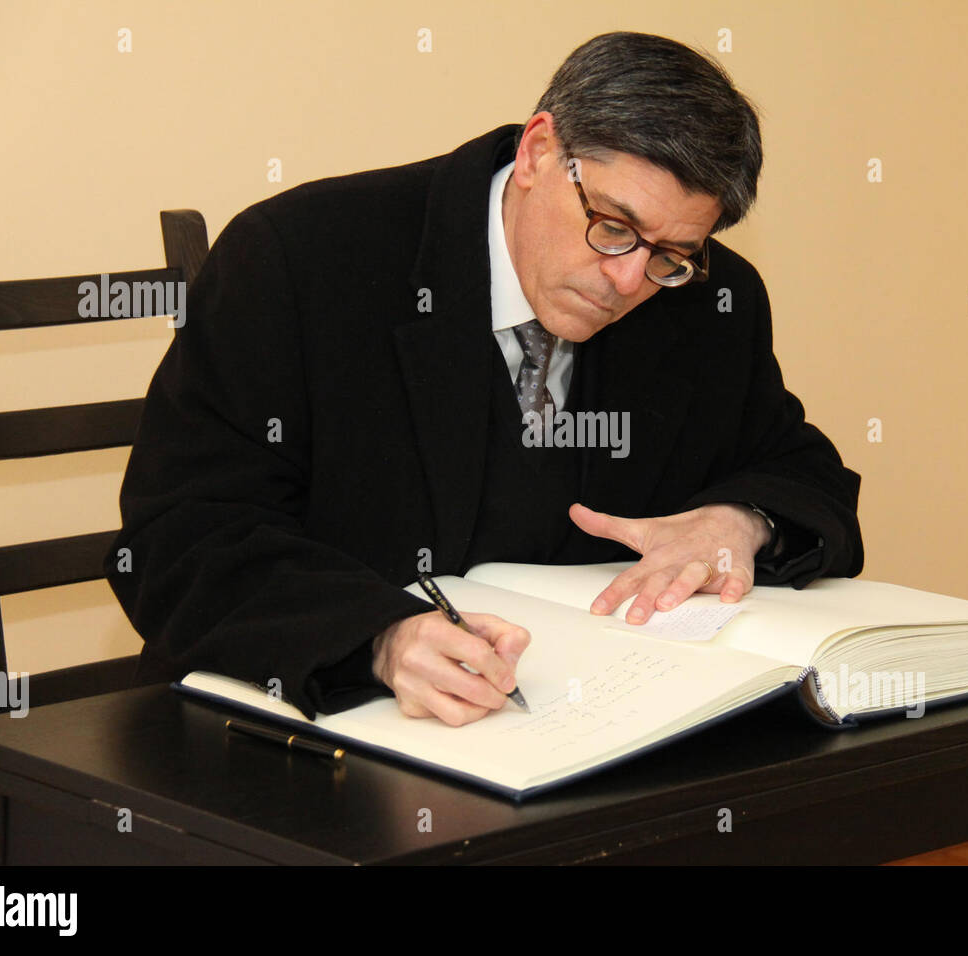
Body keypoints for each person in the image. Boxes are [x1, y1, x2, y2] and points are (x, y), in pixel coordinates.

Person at [106, 31, 864, 727]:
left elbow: (800, 468)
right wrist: (377, 637)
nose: (630, 278)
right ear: (539, 151)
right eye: (612, 225)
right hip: (302, 735)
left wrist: (741, 520)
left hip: (587, 738)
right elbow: (182, 537)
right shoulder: (299, 260)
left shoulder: (705, 300)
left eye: (672, 253)